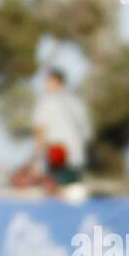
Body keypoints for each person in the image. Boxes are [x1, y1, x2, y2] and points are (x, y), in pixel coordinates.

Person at [32, 67, 91, 195]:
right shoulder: (77, 102)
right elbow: (87, 134)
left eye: (47, 81)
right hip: (77, 157)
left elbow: (41, 132)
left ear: (55, 81)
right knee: (74, 193)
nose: (45, 85)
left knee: (55, 195)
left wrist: (36, 161)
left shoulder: (46, 102)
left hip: (57, 157)